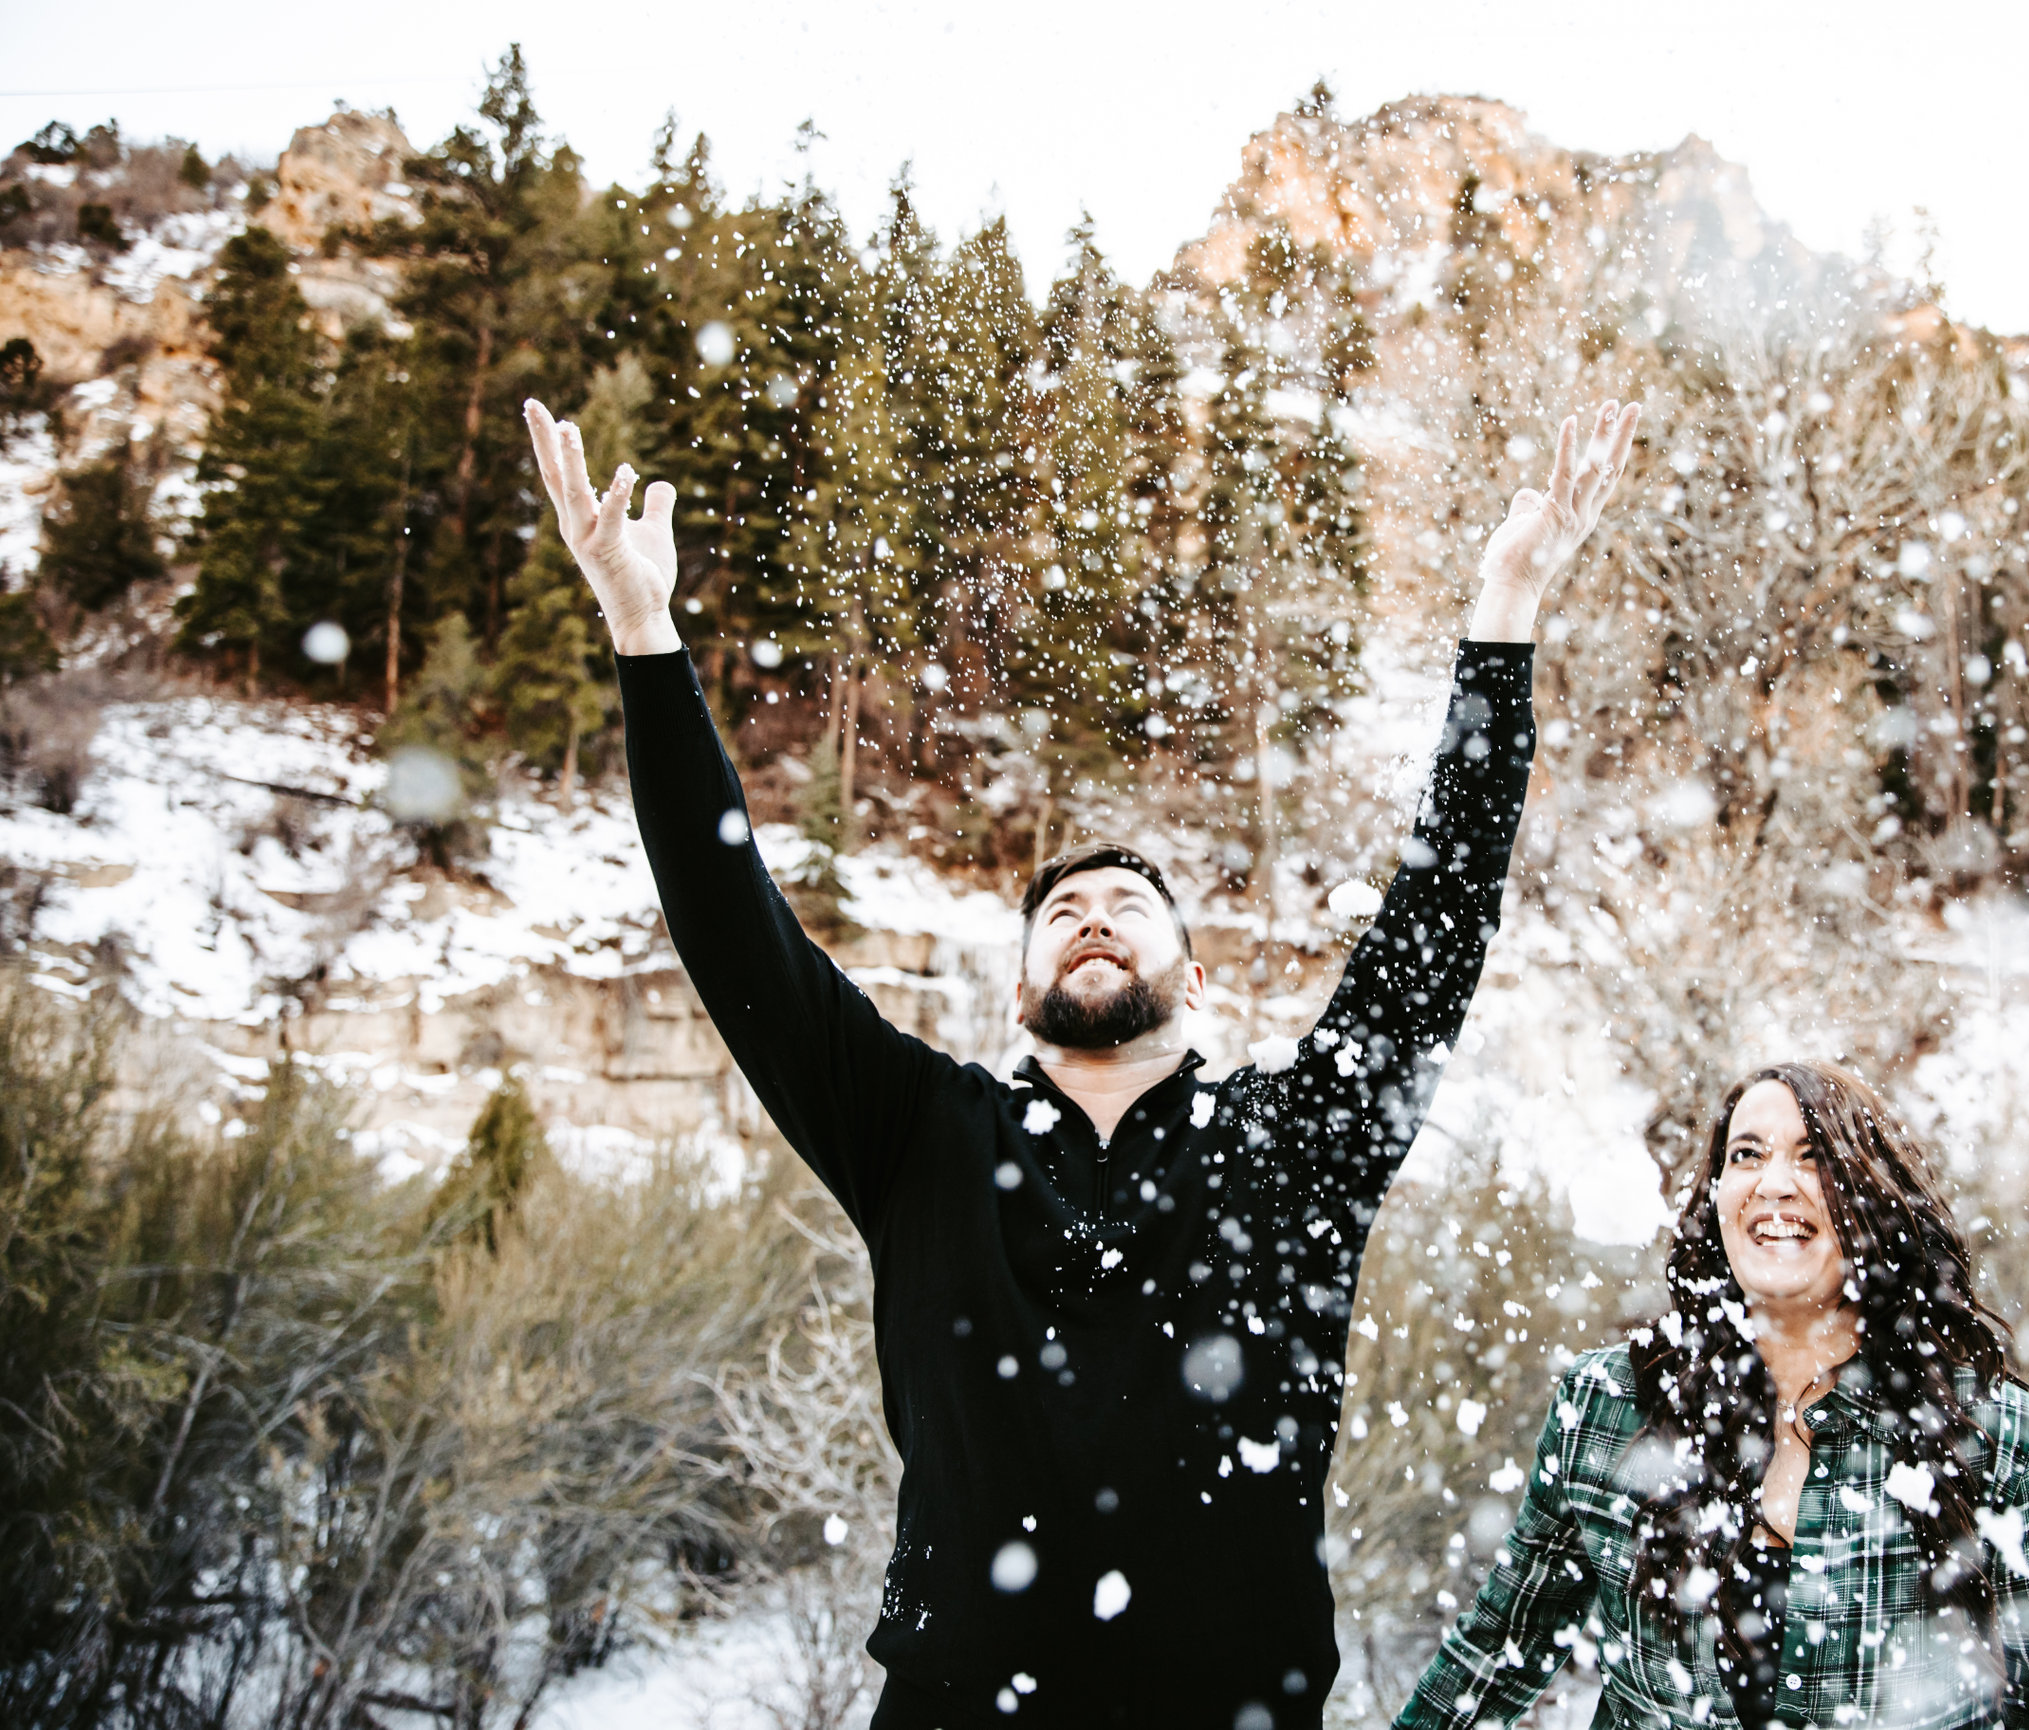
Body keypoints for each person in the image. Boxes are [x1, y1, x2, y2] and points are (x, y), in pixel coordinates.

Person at [520, 395, 1642, 1728]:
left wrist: (1502, 612)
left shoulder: (1298, 1141)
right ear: (1018, 990)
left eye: (1128, 904)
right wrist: (645, 637)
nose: (1092, 915)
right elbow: (730, 926)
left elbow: (1439, 911)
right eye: (1061, 910)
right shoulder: (919, 1132)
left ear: (1195, 977)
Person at [1398, 1061, 2029, 1729]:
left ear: (1875, 1205)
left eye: (1815, 1159)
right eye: (1745, 1155)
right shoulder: (1607, 1405)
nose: (1772, 1184)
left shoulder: (2008, 1442)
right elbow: (1495, 1652)